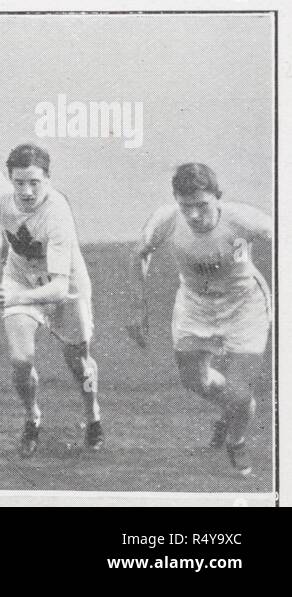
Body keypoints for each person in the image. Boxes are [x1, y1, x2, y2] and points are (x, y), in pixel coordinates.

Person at [128, 163, 271, 476]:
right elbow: (140, 253)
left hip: (244, 305)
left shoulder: (242, 219)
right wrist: (140, 307)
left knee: (238, 391)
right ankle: (230, 412)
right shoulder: (167, 220)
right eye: (185, 206)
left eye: (202, 205)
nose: (193, 215)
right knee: (195, 380)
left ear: (218, 198)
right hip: (195, 306)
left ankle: (236, 440)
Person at [0, 144, 102, 457]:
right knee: (21, 360)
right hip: (20, 279)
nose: (26, 191)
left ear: (48, 179)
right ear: (10, 179)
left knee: (79, 365)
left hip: (66, 288)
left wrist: (14, 296)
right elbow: (7, 228)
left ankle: (92, 415)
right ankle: (32, 416)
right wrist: (8, 265)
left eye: (34, 182)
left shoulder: (58, 215)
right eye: (19, 182)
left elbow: (59, 289)